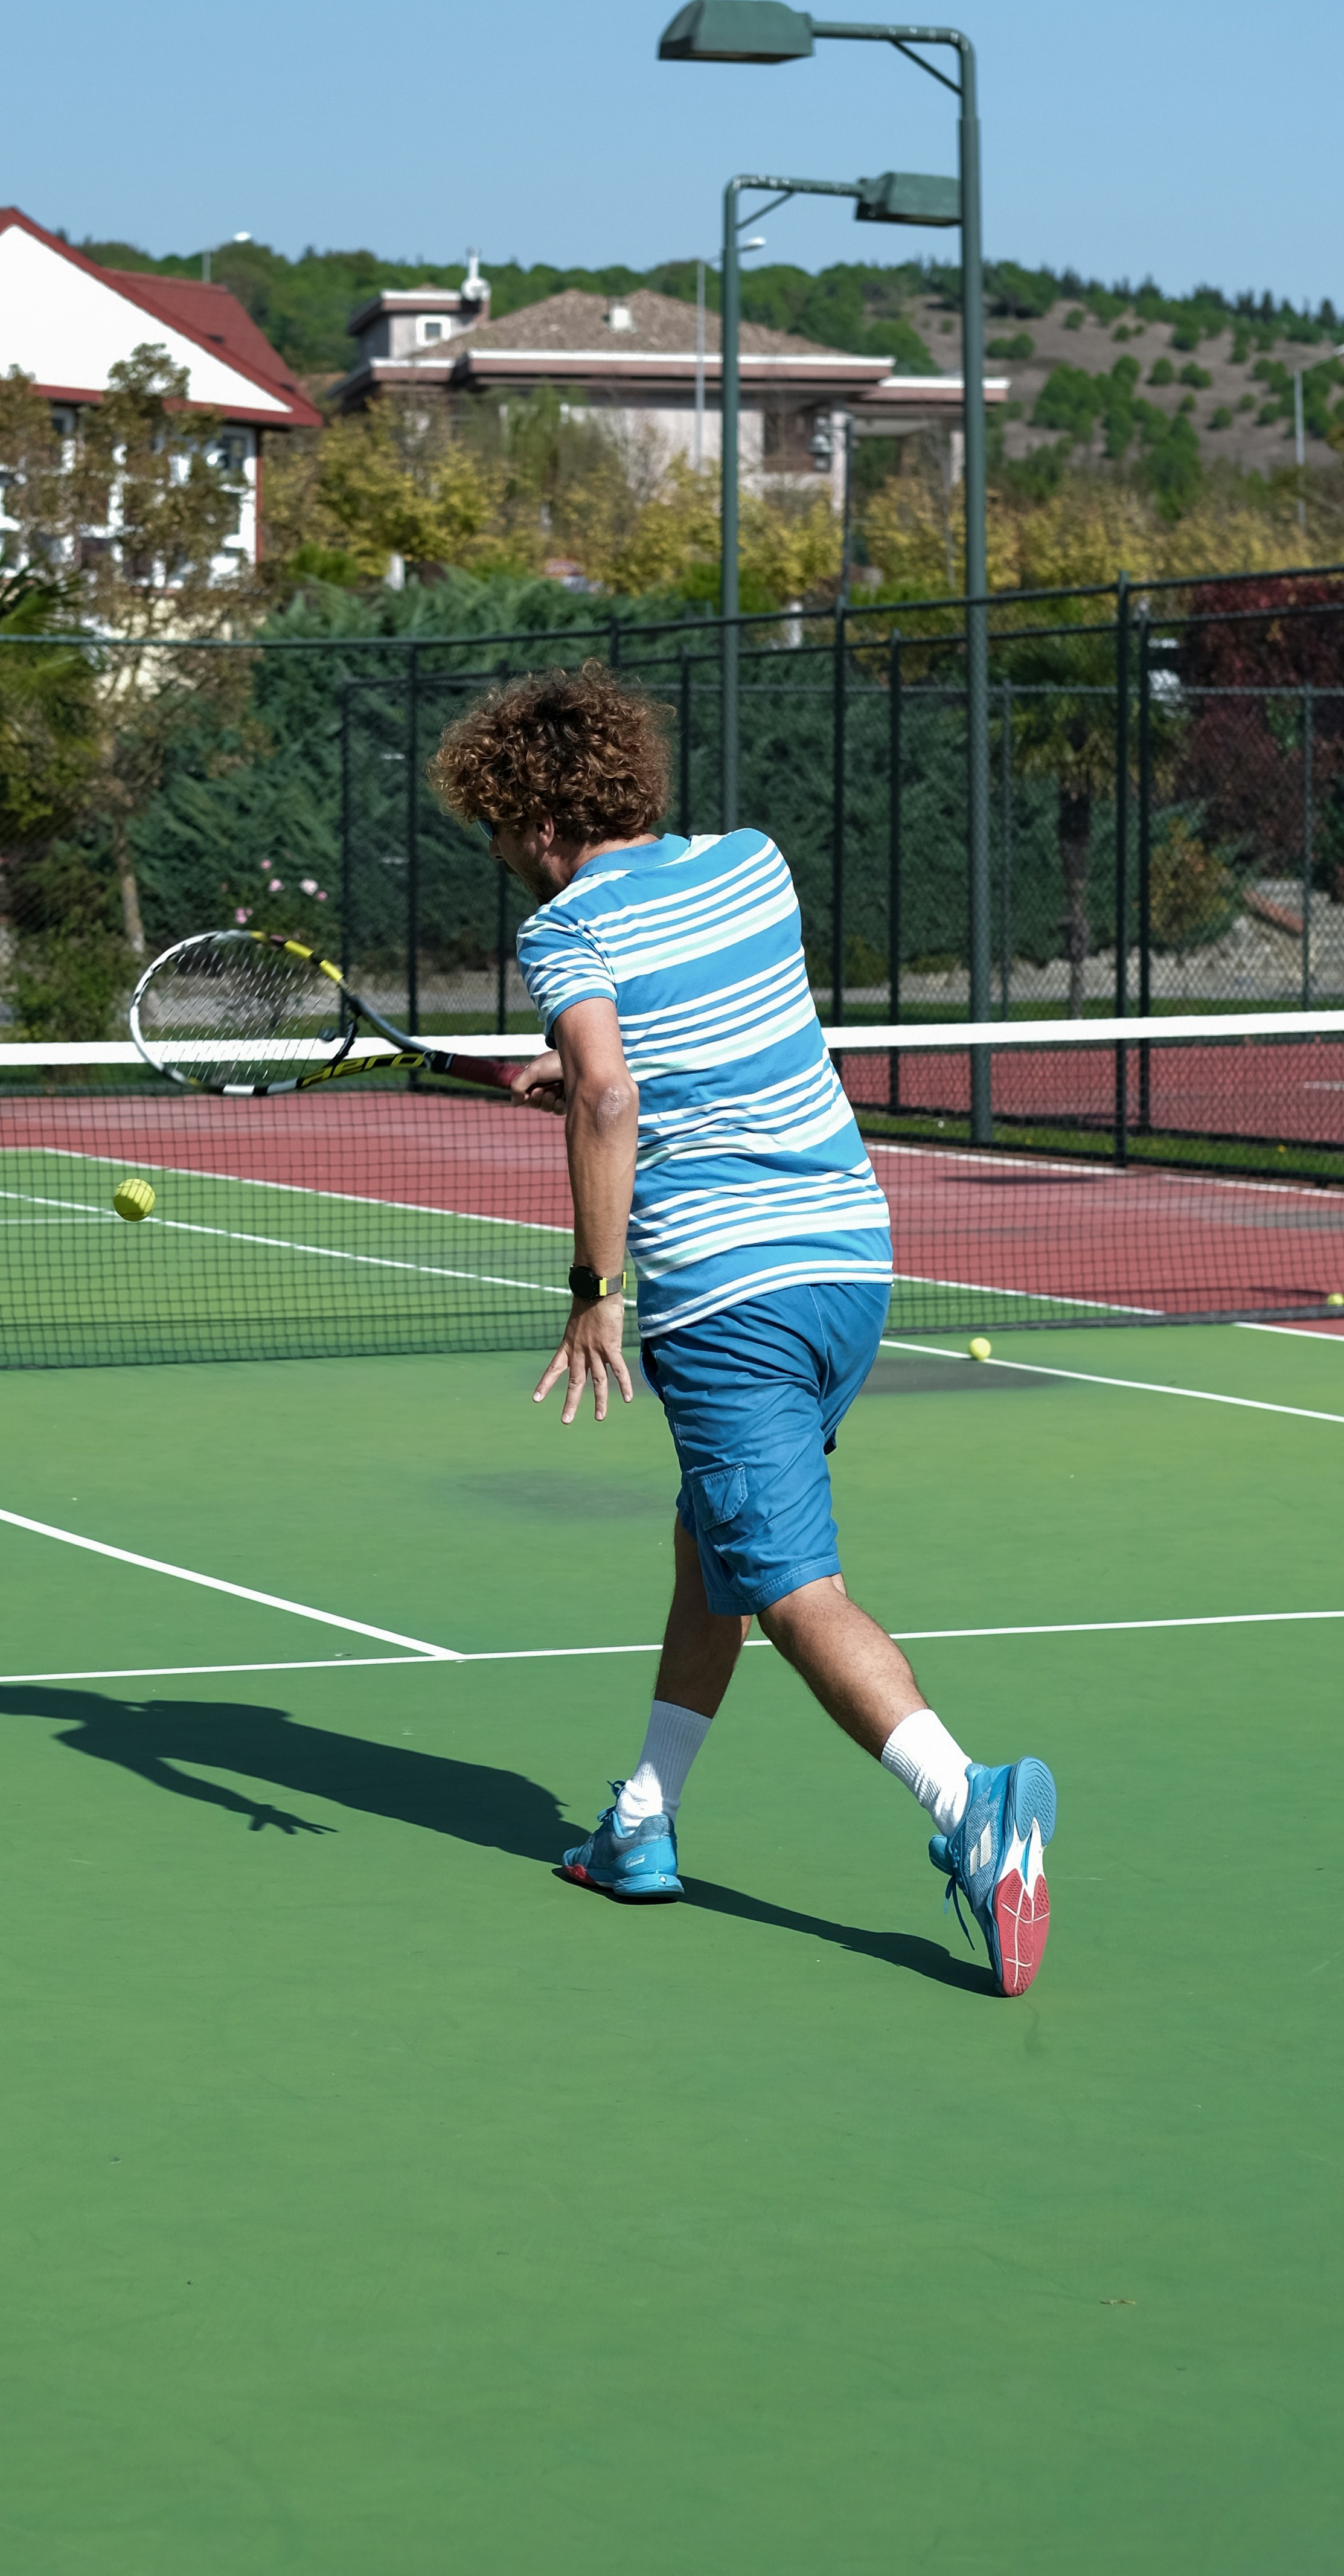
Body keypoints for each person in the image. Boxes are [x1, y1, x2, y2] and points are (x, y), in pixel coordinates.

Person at [429, 659, 1057, 1996]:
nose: (496, 856)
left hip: (729, 1298)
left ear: (542, 816)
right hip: (849, 1264)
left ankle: (970, 1803)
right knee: (707, 1542)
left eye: (496, 828)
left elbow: (612, 1099)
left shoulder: (564, 932)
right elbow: (688, 1038)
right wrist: (578, 1066)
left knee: (786, 1587)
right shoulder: (753, 863)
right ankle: (642, 1821)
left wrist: (595, 1289)